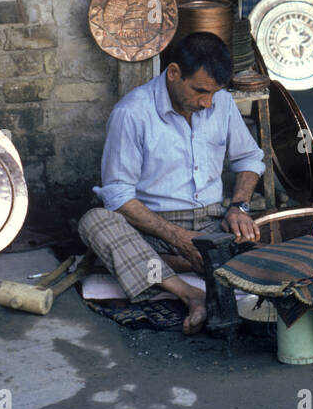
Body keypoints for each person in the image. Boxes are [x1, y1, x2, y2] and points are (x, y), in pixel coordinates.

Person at [77, 32, 265, 334]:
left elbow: (249, 158)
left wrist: (239, 207)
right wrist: (178, 238)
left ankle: (177, 265)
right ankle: (192, 293)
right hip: (152, 228)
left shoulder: (222, 103)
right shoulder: (131, 113)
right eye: (200, 91)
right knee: (95, 221)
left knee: (271, 242)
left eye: (213, 94)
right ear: (174, 73)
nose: (206, 103)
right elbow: (118, 195)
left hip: (213, 225)